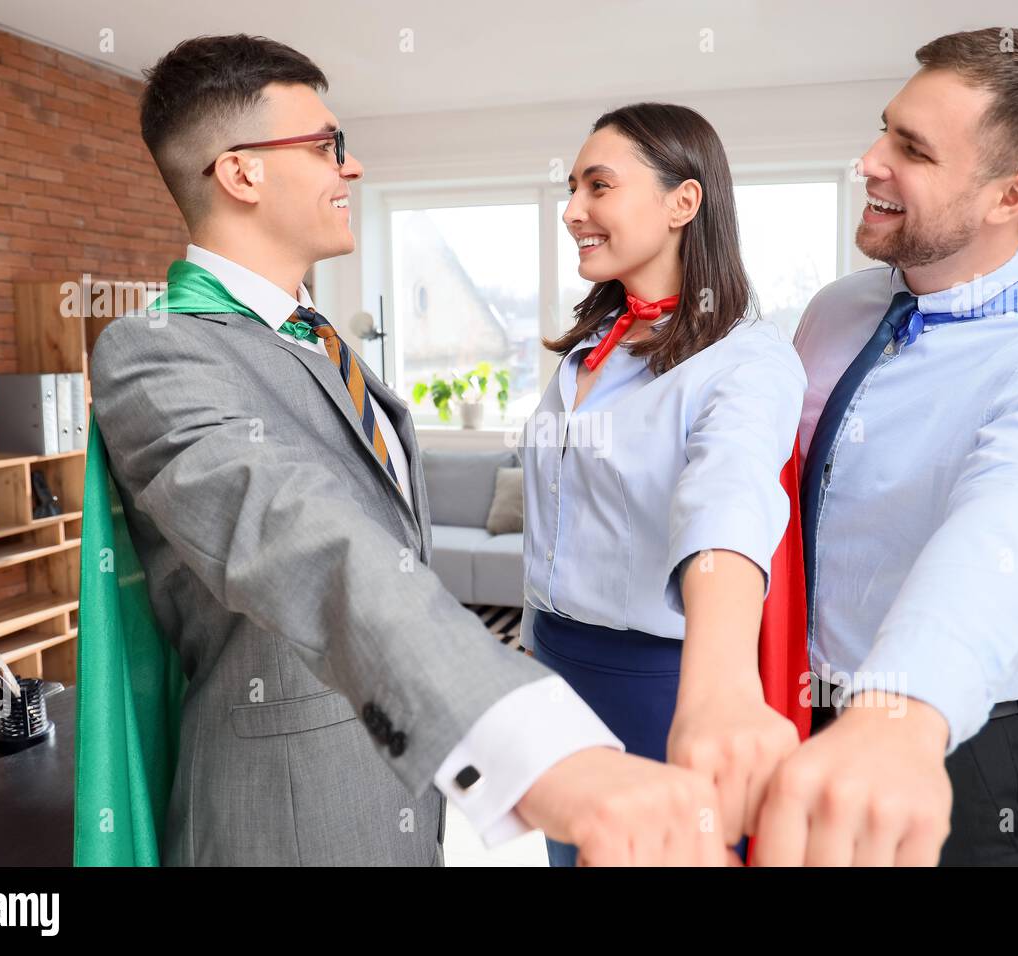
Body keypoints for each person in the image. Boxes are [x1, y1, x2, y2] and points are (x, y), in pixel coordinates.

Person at [80, 34, 735, 867]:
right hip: (285, 815)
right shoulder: (157, 350)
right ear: (241, 173)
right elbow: (299, 533)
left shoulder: (320, 343)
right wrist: (524, 735)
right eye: (325, 147)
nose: (350, 169)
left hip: (394, 785)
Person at [749, 27, 1018, 866]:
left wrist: (899, 710)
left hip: (953, 749)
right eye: (884, 128)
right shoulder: (834, 312)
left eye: (913, 149)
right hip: (793, 709)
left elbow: (1006, 532)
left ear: (1011, 196)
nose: (869, 160)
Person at [519, 102, 810, 867]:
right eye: (571, 189)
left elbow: (729, 500)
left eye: (598, 187)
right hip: (553, 665)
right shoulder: (592, 347)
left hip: (659, 683)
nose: (573, 211)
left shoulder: (748, 362)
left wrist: (715, 690)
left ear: (684, 201)